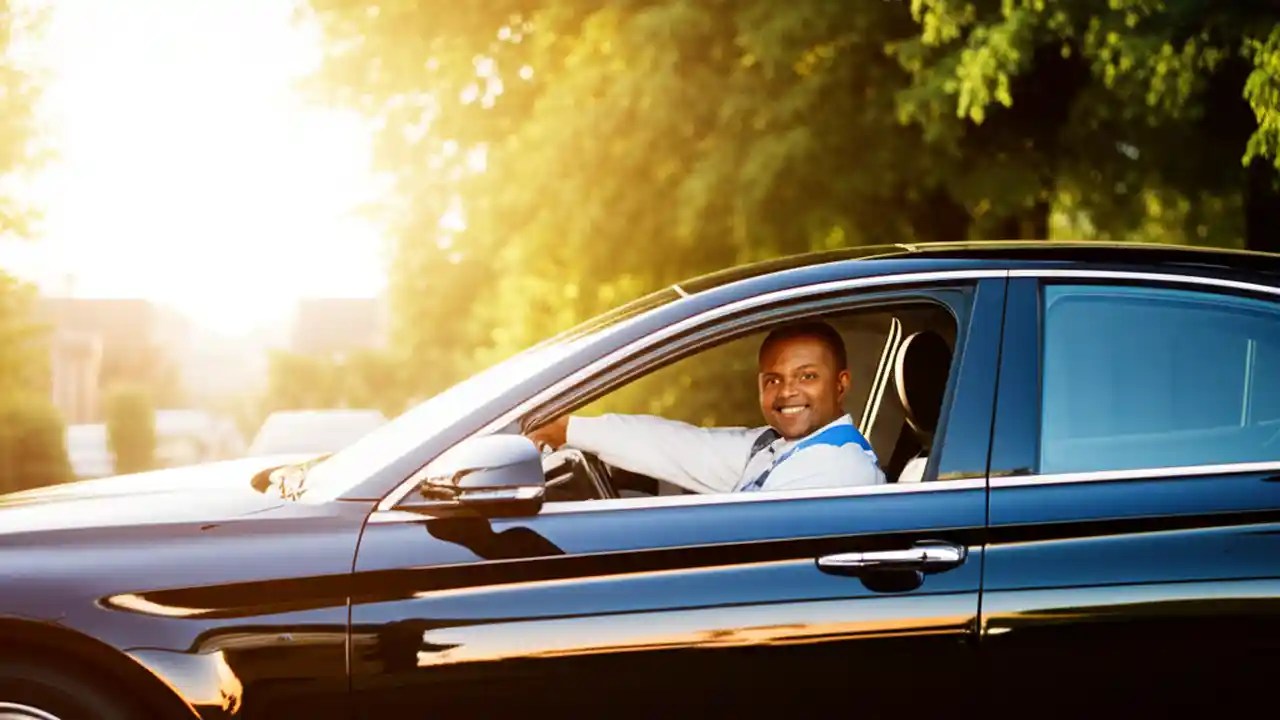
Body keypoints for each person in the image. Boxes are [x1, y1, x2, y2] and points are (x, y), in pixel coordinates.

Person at [524, 321, 886, 494]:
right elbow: (678, 446)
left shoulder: (835, 466)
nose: (786, 392)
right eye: (773, 380)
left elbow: (743, 548)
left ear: (841, 385)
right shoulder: (774, 445)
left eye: (806, 376)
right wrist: (567, 429)